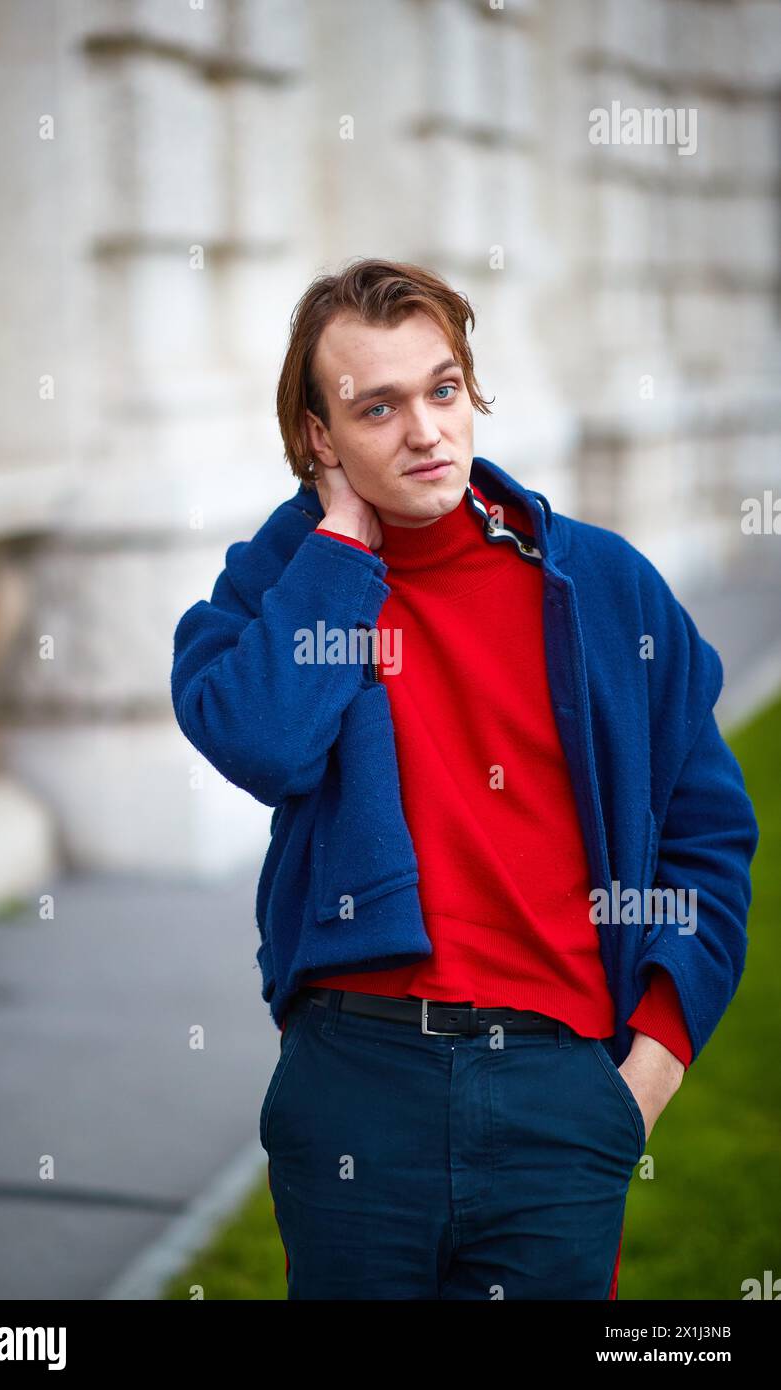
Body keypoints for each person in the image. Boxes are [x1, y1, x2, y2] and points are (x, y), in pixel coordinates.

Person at [170, 257, 759, 1300]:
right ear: (320, 439)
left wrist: (646, 1073)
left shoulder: (601, 587)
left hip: (558, 1090)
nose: (426, 431)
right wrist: (344, 546)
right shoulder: (281, 583)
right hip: (355, 1082)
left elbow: (705, 837)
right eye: (376, 407)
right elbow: (262, 740)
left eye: (442, 389)